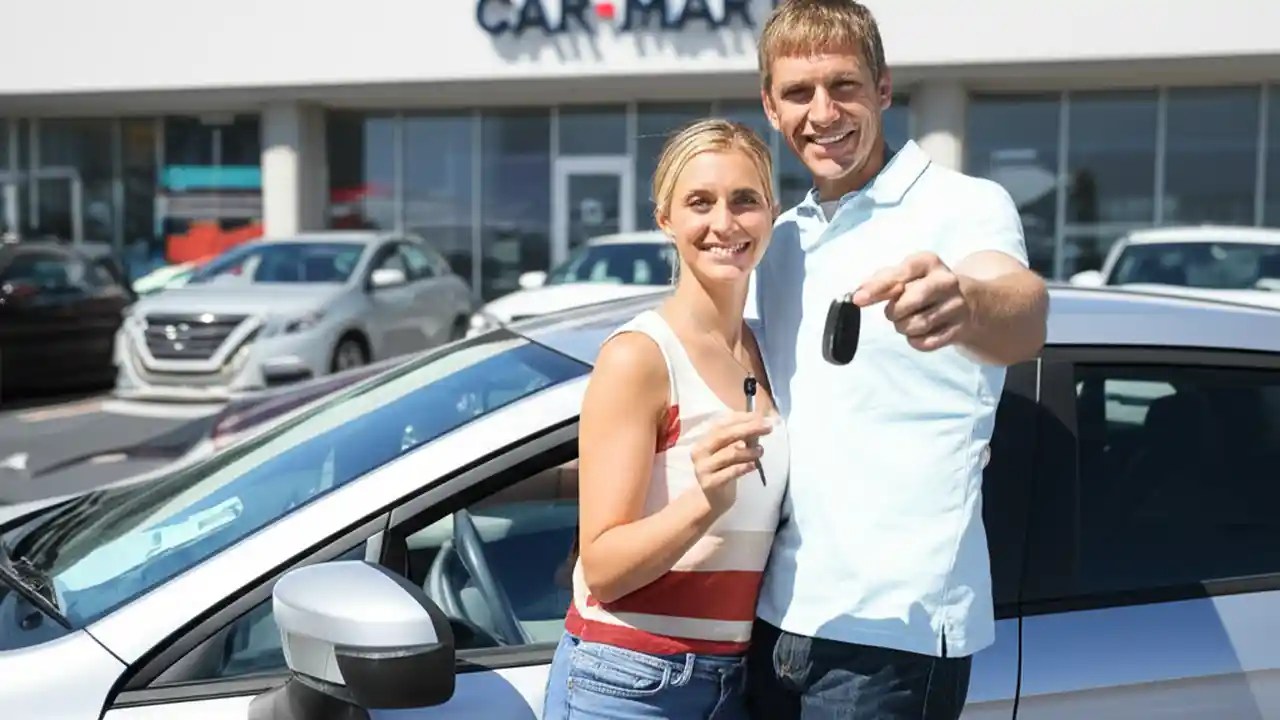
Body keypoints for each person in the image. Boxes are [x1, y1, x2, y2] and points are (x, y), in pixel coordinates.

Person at [743, 1, 1051, 718]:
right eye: (798, 93)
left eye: (844, 86)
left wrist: (965, 303)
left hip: (894, 637)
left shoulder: (964, 205)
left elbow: (1024, 314)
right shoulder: (781, 240)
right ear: (770, 106)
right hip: (774, 615)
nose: (823, 113)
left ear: (883, 88)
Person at [541, 118, 791, 720]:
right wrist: (703, 503)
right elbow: (600, 568)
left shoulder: (772, 351)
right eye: (699, 203)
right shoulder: (641, 357)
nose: (724, 224)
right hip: (628, 683)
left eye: (745, 201)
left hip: (733, 681)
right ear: (665, 219)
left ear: (772, 215)